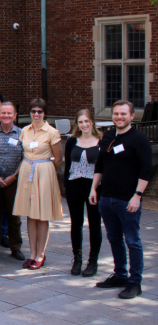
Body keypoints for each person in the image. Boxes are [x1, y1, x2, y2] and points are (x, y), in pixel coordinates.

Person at [90, 100, 151, 299]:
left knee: (132, 241)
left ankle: (135, 282)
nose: (119, 117)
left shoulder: (139, 139)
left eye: (124, 114)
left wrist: (137, 196)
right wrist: (94, 189)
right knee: (114, 238)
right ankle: (120, 275)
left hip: (128, 200)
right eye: (116, 113)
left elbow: (146, 169)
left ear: (132, 116)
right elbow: (100, 164)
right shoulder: (108, 136)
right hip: (107, 198)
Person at [12, 99, 63, 270]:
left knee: (42, 214)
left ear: (44, 113)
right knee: (30, 214)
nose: (36, 114)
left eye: (39, 111)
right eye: (33, 111)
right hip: (27, 171)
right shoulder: (24, 131)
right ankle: (32, 253)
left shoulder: (52, 132)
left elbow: (58, 159)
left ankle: (41, 254)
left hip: (44, 172)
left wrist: (45, 171)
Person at [65, 109, 102, 276]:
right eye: (81, 122)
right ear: (77, 124)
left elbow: (104, 167)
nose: (84, 125)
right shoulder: (72, 141)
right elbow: (67, 167)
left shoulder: (101, 141)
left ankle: (93, 261)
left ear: (92, 122)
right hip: (74, 186)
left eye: (87, 121)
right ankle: (77, 259)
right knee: (76, 223)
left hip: (94, 187)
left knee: (94, 224)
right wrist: (66, 186)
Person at [0, 103, 25, 261]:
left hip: (13, 180)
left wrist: (15, 175)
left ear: (15, 115)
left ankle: (15, 247)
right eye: (3, 113)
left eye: (9, 113)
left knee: (14, 216)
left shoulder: (22, 134)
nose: (5, 116)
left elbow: (25, 158)